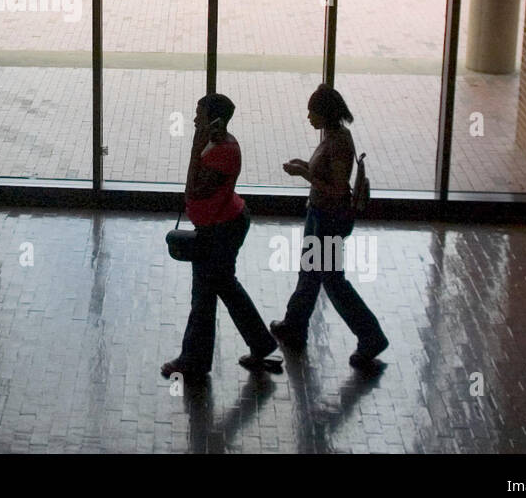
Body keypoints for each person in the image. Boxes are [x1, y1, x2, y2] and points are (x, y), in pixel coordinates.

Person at [162, 93, 280, 383]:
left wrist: (194, 145)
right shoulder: (219, 144)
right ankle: (261, 343)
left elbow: (194, 190)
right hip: (224, 223)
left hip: (220, 229)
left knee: (203, 296)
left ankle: (194, 360)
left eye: (198, 114)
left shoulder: (221, 150)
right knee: (226, 287)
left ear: (214, 118)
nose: (193, 119)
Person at [272, 84, 389, 369]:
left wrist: (304, 175)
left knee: (332, 281)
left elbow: (337, 189)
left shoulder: (337, 143)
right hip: (320, 215)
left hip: (328, 218)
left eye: (312, 112)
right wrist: (306, 167)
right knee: (310, 273)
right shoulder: (335, 136)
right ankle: (294, 325)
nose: (308, 118)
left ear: (324, 114)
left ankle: (370, 336)